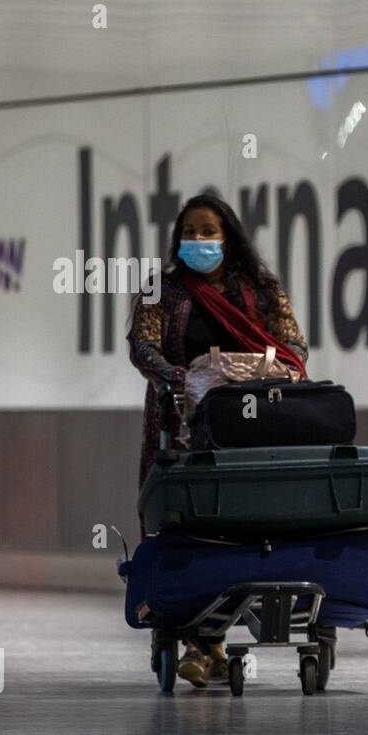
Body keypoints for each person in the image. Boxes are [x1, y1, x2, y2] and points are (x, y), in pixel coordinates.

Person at [127, 194, 308, 687]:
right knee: (188, 524)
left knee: (238, 526)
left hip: (249, 428)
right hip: (182, 423)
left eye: (210, 231)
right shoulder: (159, 290)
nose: (200, 240)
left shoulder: (261, 291)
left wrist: (262, 374)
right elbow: (142, 348)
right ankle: (201, 641)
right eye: (191, 231)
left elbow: (293, 344)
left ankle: (208, 642)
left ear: (228, 235)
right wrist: (183, 379)